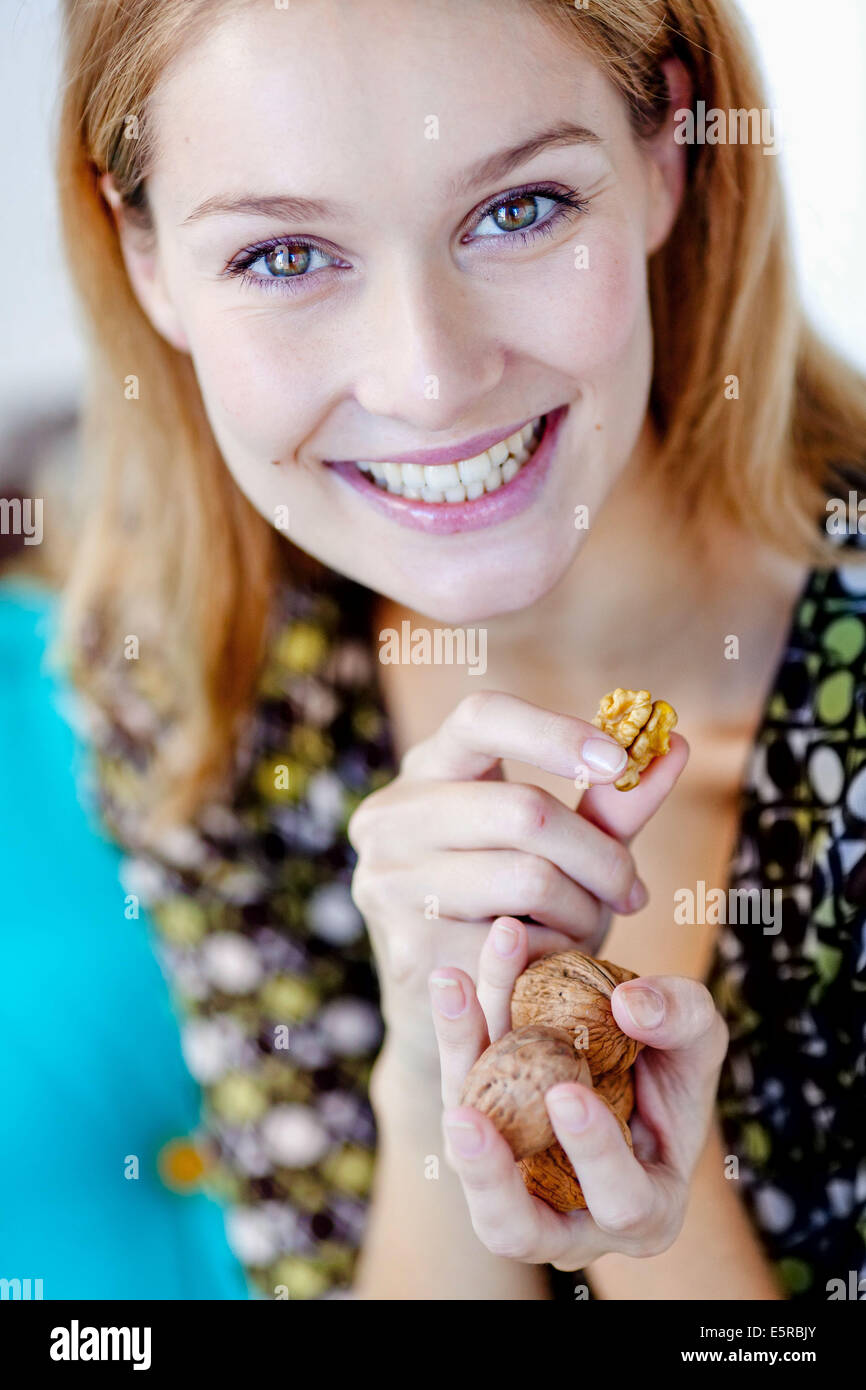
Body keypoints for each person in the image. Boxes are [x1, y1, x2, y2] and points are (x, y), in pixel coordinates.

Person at [46, 0, 865, 1299]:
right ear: (145, 260)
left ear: (665, 153)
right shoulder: (206, 687)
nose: (427, 379)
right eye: (282, 255)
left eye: (518, 209)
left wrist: (624, 1141)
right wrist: (437, 1085)